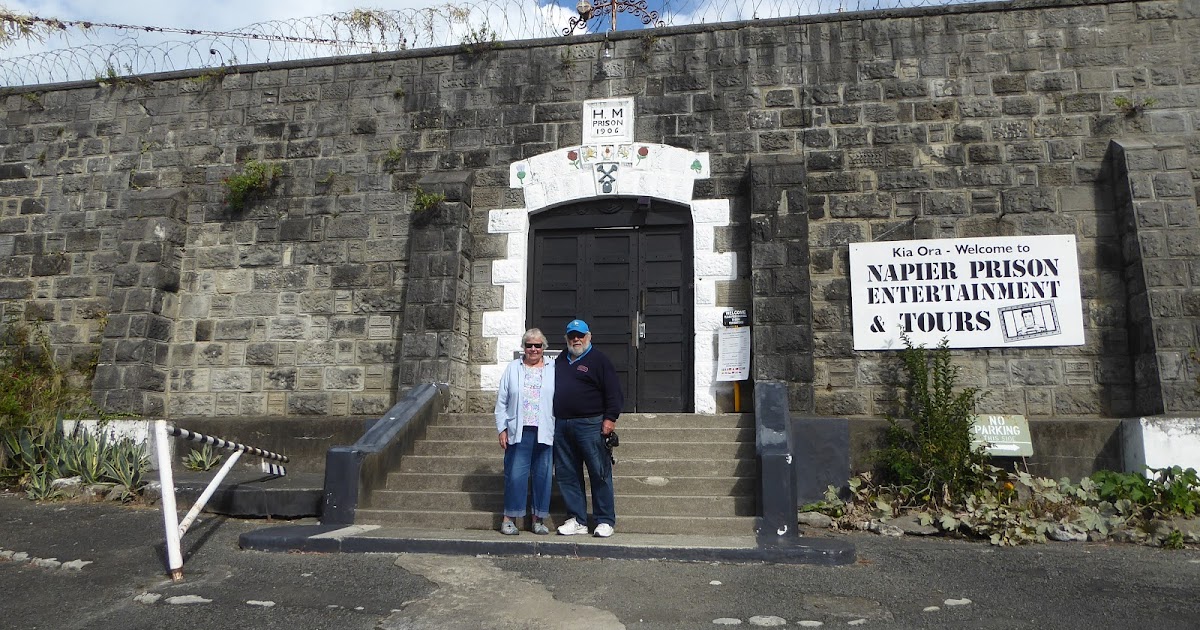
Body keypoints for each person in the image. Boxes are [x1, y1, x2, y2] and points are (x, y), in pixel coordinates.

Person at [553, 319, 624, 538]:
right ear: (566, 338)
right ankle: (578, 520)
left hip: (592, 424)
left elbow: (614, 393)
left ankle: (604, 520)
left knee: (599, 472)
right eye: (572, 335)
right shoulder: (560, 361)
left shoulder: (599, 360)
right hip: (562, 424)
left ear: (589, 336)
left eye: (580, 335)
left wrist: (610, 419)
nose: (576, 339)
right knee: (567, 474)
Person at [493, 328, 556, 535]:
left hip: (545, 431)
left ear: (543, 348)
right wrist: (502, 428)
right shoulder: (513, 368)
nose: (533, 349)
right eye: (529, 345)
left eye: (538, 345)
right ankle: (509, 518)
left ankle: (538, 519)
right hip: (518, 430)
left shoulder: (552, 368)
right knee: (515, 476)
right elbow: (502, 401)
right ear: (524, 347)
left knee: (543, 476)